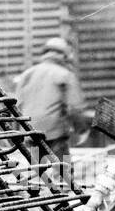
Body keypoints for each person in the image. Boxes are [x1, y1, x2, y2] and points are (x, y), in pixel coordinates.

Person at [15, 36, 86, 184]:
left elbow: (17, 104)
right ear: (63, 55)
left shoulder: (27, 74)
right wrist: (81, 130)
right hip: (55, 132)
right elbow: (74, 107)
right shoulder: (65, 74)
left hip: (30, 130)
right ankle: (64, 200)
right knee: (62, 171)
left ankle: (34, 202)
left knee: (35, 173)